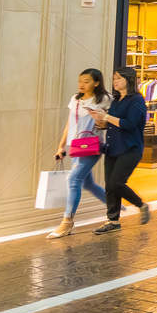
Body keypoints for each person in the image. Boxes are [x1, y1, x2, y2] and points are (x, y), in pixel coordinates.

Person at [48, 68, 109, 238]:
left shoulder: (104, 99)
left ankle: (67, 222)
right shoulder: (75, 99)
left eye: (87, 81)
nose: (82, 84)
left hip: (92, 145)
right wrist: (61, 146)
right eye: (80, 81)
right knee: (88, 184)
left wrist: (101, 120)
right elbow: (70, 123)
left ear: (96, 83)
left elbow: (109, 121)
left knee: (73, 179)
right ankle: (116, 208)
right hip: (75, 146)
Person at [90, 66, 149, 234]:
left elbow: (129, 124)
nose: (115, 81)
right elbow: (110, 125)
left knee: (116, 182)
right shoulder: (116, 100)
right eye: (114, 78)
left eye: (118, 78)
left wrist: (107, 117)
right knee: (110, 185)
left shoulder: (137, 100)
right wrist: (100, 121)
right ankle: (113, 220)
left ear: (128, 80)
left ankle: (141, 204)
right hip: (113, 147)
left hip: (130, 148)